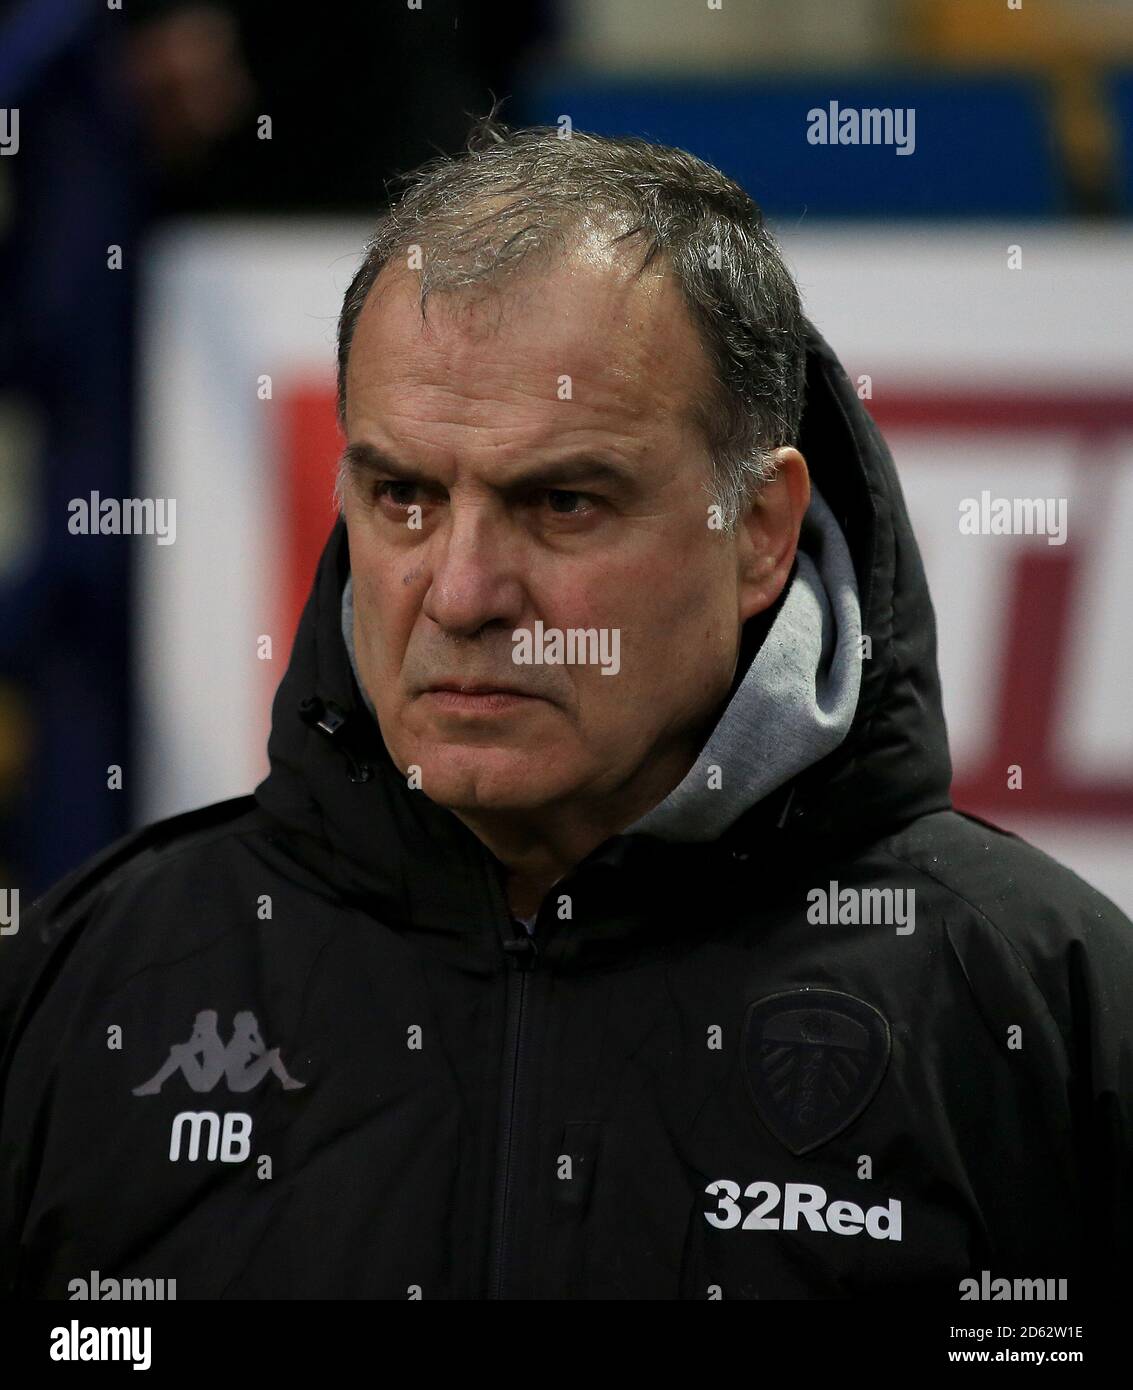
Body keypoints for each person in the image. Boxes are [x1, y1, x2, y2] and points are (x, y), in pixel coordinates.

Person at [1, 120, 1130, 1300]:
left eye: (563, 502)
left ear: (757, 530)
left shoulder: (1037, 1013)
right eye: (403, 497)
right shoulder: (91, 987)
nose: (462, 591)